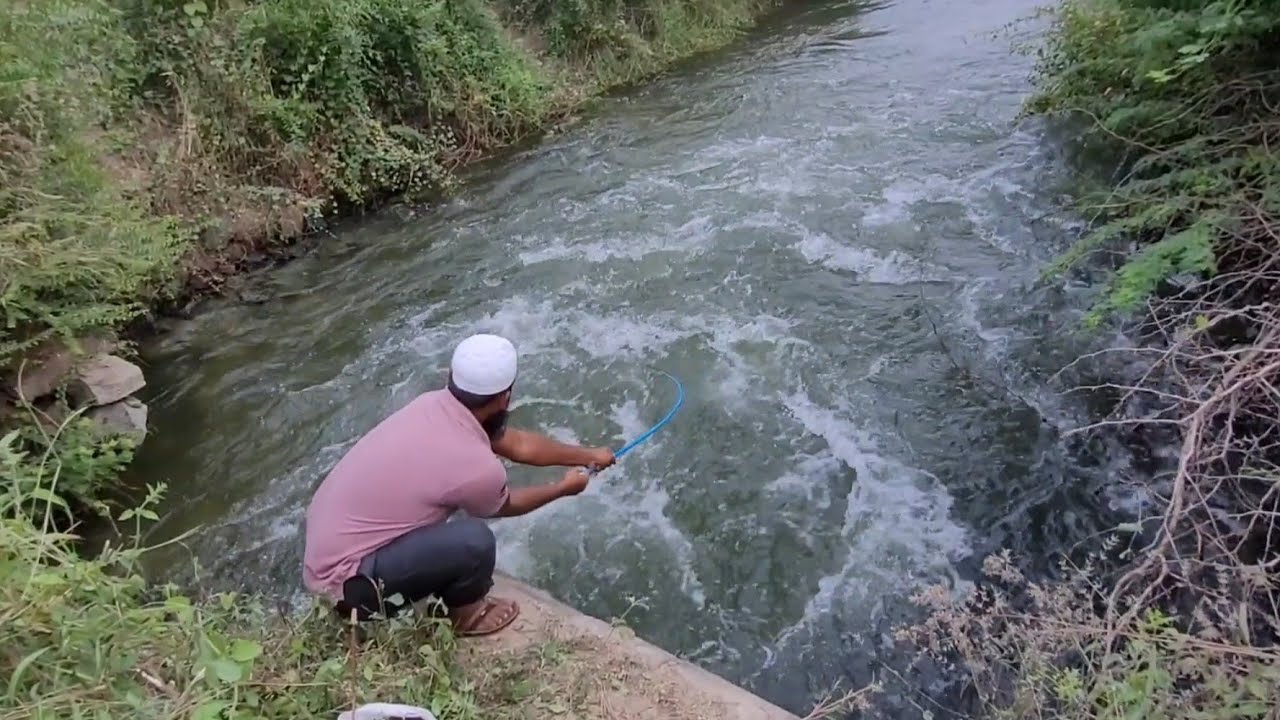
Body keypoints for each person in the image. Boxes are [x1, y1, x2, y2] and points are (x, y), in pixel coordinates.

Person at [302, 333, 615, 636]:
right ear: (506, 397)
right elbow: (505, 505)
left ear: (452, 377)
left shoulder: (432, 405)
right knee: (474, 542)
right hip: (349, 588)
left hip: (324, 555)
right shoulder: (477, 467)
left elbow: (518, 444)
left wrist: (587, 455)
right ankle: (465, 614)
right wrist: (563, 488)